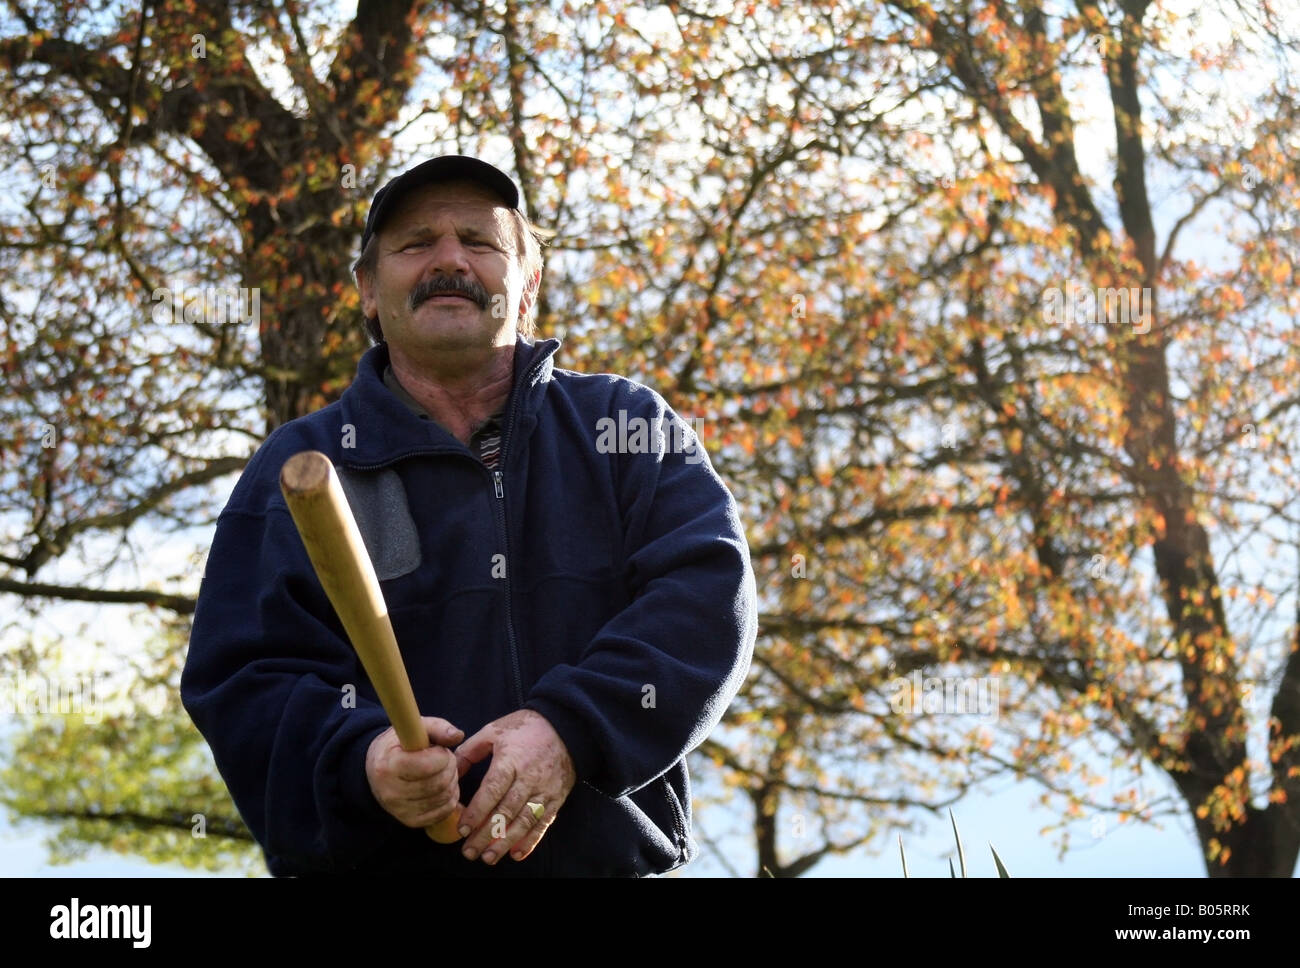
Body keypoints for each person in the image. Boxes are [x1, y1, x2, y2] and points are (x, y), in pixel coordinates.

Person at [180, 155, 757, 876]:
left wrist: (569, 730)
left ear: (528, 286)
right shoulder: (303, 464)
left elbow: (706, 599)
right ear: (367, 289)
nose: (449, 259)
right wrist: (362, 759)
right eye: (415, 243)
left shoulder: (625, 425)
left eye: (479, 242)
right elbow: (241, 679)